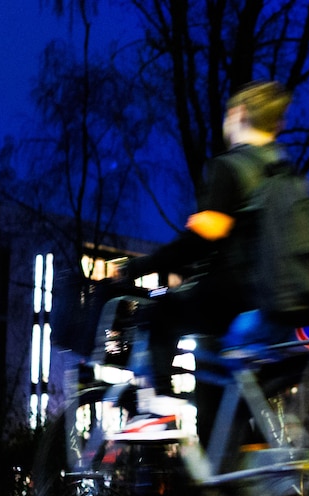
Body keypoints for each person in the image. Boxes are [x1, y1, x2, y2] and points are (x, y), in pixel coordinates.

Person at [116, 81, 296, 434]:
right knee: (222, 374)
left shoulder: (232, 168)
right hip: (281, 297)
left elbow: (202, 238)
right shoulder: (286, 172)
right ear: (277, 125)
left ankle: (158, 407)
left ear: (240, 114)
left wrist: (138, 267)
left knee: (160, 313)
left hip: (235, 294)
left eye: (230, 114)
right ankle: (231, 467)